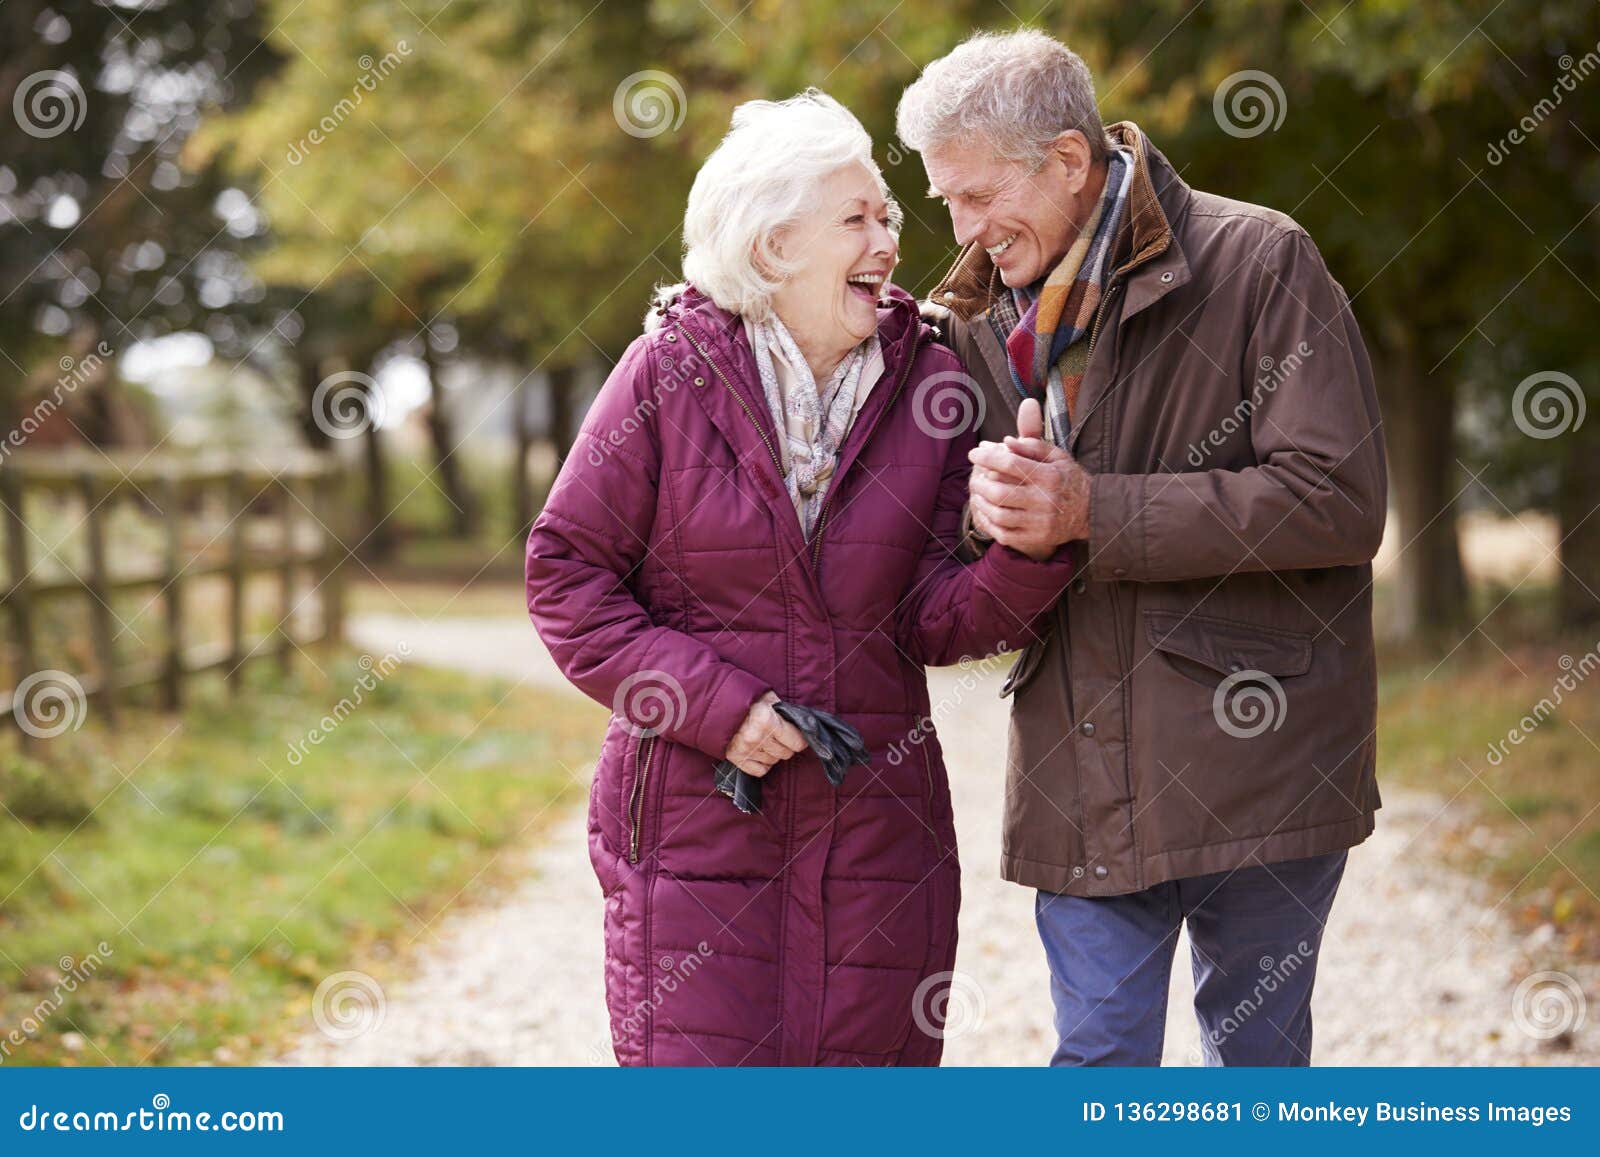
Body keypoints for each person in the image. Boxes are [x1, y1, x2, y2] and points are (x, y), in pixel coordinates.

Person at [524, 89, 1075, 1065]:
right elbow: (566, 572)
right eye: (857, 219)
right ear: (774, 247)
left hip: (877, 829)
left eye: (888, 217)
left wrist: (1026, 554)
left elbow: (928, 618)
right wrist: (714, 706)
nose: (889, 242)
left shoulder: (930, 381)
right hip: (701, 827)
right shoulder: (664, 373)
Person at [896, 29, 1388, 1065]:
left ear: (1068, 162)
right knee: (1096, 1067)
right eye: (948, 201)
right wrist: (991, 517)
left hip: (1263, 752)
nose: (965, 230)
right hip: (1079, 763)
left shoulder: (1259, 259)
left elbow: (1338, 498)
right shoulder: (971, 317)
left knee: (1253, 1067)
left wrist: (1093, 511)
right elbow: (949, 533)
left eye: (979, 196)